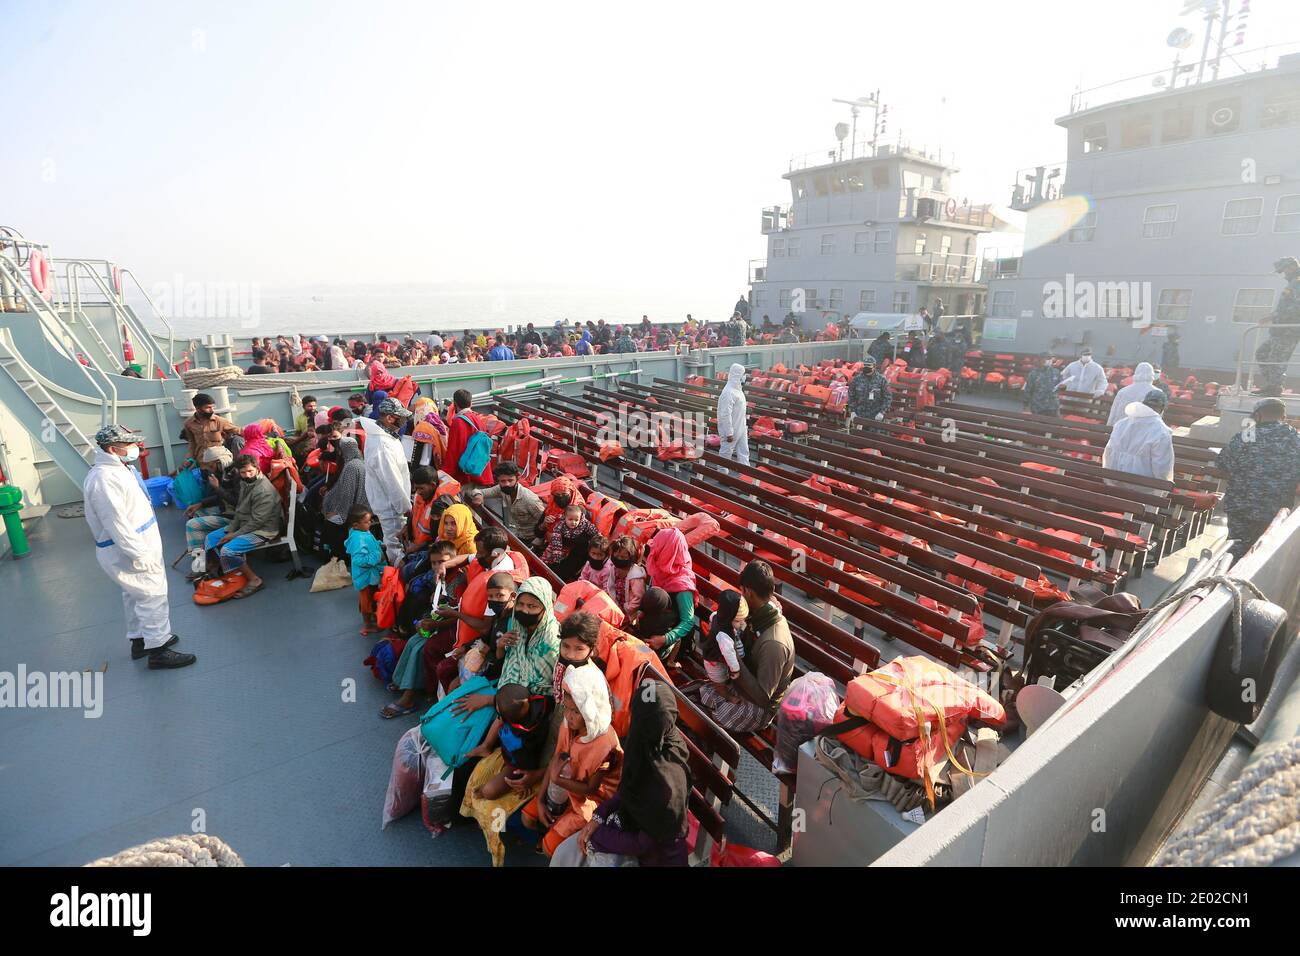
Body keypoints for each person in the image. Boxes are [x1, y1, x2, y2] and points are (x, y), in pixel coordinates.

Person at [83, 425, 195, 669]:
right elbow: (115, 522)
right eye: (130, 444)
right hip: (129, 548)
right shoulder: (104, 479)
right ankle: (158, 650)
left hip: (138, 543)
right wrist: (138, 554)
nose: (136, 448)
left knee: (134, 595)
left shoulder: (120, 469)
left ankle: (141, 641)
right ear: (113, 449)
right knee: (151, 594)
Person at [566, 670, 690, 867]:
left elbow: (642, 844)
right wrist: (598, 817)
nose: (634, 727)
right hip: (631, 827)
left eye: (639, 723)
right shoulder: (658, 744)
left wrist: (598, 835)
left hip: (656, 858)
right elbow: (629, 788)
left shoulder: (666, 786)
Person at [523, 659, 623, 858]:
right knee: (528, 818)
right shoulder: (569, 726)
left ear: (590, 709)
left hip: (592, 803)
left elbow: (591, 790)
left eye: (576, 711)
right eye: (567, 709)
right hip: (566, 787)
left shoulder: (605, 744)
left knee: (549, 848)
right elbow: (556, 761)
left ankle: (553, 844)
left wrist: (557, 780)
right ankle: (551, 835)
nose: (568, 716)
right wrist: (542, 799)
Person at [1215, 397, 1300, 560]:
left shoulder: (1246, 435)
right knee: (1263, 553)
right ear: (1283, 416)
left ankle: (1226, 579)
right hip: (1275, 508)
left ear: (1258, 415)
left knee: (1235, 549)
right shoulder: (1295, 439)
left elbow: (1223, 464)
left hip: (1242, 506)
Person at [204, 454, 282, 598]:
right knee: (211, 538)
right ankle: (220, 570)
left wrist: (233, 535)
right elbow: (240, 510)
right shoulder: (245, 483)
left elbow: (258, 522)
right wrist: (231, 529)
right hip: (246, 523)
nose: (246, 475)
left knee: (228, 550)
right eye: (243, 472)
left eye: (250, 471)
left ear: (257, 469)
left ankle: (255, 580)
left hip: (263, 530)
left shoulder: (264, 491)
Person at [729, 560, 794, 729]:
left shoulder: (774, 643)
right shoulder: (762, 611)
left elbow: (763, 697)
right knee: (694, 696)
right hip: (745, 684)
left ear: (749, 592)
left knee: (703, 715)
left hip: (760, 709)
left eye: (742, 591)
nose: (741, 596)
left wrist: (734, 659)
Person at [357, 397, 414, 565]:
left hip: (390, 504)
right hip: (392, 507)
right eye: (400, 418)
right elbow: (392, 482)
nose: (403, 421)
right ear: (390, 418)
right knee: (397, 545)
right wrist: (406, 508)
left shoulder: (384, 438)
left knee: (394, 542)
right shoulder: (382, 444)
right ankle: (397, 581)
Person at [497, 576, 562, 696]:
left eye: (532, 606)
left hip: (531, 702)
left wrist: (495, 700)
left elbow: (543, 684)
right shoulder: (518, 628)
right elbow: (504, 660)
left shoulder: (552, 639)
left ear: (545, 607)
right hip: (506, 694)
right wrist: (500, 646)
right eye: (520, 604)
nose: (524, 611)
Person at [183, 445, 240, 575]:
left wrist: (218, 488)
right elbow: (223, 496)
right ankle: (210, 559)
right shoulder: (227, 472)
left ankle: (200, 565)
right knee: (196, 513)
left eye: (211, 466)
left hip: (236, 518)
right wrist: (200, 504)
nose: (210, 469)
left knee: (192, 525)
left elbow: (238, 502)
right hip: (226, 510)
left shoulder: (237, 474)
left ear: (219, 461)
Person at [641, 527, 696, 658]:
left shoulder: (683, 586)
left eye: (659, 548)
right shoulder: (660, 569)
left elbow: (688, 622)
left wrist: (664, 639)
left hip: (673, 638)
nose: (654, 551)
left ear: (668, 552)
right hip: (657, 626)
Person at [1102, 389, 1175, 482]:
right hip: (1142, 486)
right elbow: (1162, 467)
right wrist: (1163, 488)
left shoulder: (1121, 424)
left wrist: (1108, 478)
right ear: (1163, 408)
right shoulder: (1162, 431)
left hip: (1113, 479)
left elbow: (1108, 452)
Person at [1253, 257, 1300, 396]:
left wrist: (1273, 316)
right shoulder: (1293, 282)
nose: (1283, 274)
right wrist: (1273, 316)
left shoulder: (1298, 282)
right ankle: (1272, 384)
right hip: (1280, 329)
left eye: (1284, 270)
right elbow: (1285, 306)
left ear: (1291, 267)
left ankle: (1274, 387)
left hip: (1288, 330)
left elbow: (1295, 308)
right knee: (1262, 353)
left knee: (1277, 358)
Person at [319, 434, 368, 559]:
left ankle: (336, 556)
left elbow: (347, 495)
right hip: (360, 506)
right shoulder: (359, 462)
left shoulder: (351, 467)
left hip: (353, 509)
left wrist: (340, 514)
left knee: (329, 522)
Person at [469, 460, 544, 542]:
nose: (507, 484)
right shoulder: (501, 489)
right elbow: (478, 491)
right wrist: (478, 496)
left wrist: (537, 542)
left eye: (510, 480)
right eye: (503, 481)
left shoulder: (529, 499)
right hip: (514, 534)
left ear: (517, 479)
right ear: (498, 480)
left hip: (530, 539)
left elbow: (544, 522)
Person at [346, 506, 385, 635]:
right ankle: (367, 625)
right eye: (367, 522)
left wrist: (379, 545)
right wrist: (378, 556)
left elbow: (371, 543)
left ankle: (374, 617)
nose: (370, 523)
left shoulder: (363, 532)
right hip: (365, 577)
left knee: (372, 598)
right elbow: (359, 560)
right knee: (367, 602)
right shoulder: (357, 539)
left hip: (369, 576)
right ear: (356, 525)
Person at [443, 388, 495, 487]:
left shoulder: (458, 422)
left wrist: (446, 473)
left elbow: (454, 450)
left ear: (455, 404)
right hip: (480, 469)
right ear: (471, 403)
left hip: (466, 474)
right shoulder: (477, 419)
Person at [541, 502, 598, 582]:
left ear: (580, 518)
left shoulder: (584, 523)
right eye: (570, 519)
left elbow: (593, 530)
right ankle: (543, 567)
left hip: (569, 548)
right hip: (557, 545)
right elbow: (556, 540)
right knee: (548, 556)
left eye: (576, 520)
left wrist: (597, 535)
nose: (573, 522)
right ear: (565, 518)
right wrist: (556, 555)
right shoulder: (560, 525)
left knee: (563, 561)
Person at [178, 393, 239, 465]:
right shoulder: (189, 424)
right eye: (208, 407)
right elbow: (192, 443)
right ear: (198, 408)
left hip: (220, 461)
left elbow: (239, 431)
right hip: (202, 462)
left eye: (212, 407)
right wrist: (189, 458)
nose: (212, 410)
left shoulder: (220, 421)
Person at [716, 362, 750, 465]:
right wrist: (729, 433)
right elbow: (725, 414)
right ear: (738, 375)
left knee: (744, 451)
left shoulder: (738, 390)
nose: (744, 377)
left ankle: (746, 472)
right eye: (743, 374)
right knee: (726, 452)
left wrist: (744, 427)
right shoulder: (728, 392)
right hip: (731, 429)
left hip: (741, 426)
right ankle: (722, 474)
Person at [609, 535, 646, 623]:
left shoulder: (635, 576)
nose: (618, 559)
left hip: (628, 612)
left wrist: (627, 608)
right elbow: (610, 586)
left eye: (623, 557)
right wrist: (612, 602)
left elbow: (638, 598)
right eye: (617, 556)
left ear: (631, 557)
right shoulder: (614, 569)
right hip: (615, 604)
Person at [1108, 362, 1158, 426]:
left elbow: (1113, 412)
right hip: (1144, 430)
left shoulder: (1123, 391)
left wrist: (1109, 426)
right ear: (1152, 374)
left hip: (1120, 428)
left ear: (1136, 373)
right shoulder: (1157, 393)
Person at [847, 355, 892, 424]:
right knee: (858, 434)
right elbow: (851, 395)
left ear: (874, 366)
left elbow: (888, 398)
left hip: (875, 416)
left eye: (869, 365)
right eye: (865, 365)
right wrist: (852, 411)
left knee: (874, 434)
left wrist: (882, 412)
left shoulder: (882, 380)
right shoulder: (857, 379)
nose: (866, 367)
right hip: (859, 414)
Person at [289, 395, 319, 460]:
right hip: (303, 439)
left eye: (314, 406)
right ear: (304, 407)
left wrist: (296, 441)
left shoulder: (319, 416)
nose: (313, 408)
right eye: (310, 406)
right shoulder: (299, 418)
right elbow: (298, 432)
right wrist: (294, 440)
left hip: (314, 439)